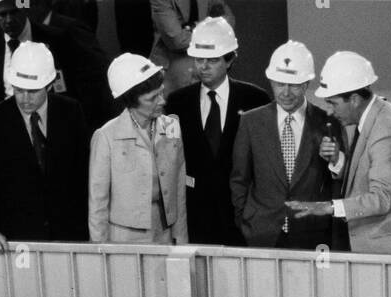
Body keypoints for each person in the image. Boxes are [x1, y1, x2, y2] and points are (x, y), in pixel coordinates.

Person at [289, 51, 391, 255]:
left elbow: (382, 198)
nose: (329, 111)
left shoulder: (386, 131)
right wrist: (338, 161)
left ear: (354, 99)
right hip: (380, 249)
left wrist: (329, 207)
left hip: (390, 254)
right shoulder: (372, 117)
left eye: (333, 103)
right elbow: (367, 173)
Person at [0, 42, 90, 248]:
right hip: (13, 240)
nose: (25, 99)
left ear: (50, 84)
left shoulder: (71, 112)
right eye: (19, 90)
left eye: (33, 91)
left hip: (69, 237)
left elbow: (84, 174)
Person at [165, 17, 269, 246]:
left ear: (229, 59)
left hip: (242, 217)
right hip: (195, 217)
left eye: (211, 60)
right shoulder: (177, 102)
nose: (203, 66)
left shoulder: (255, 99)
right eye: (199, 59)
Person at [230, 40, 339, 249]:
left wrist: (336, 161)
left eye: (294, 85)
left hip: (311, 234)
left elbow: (337, 182)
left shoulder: (327, 122)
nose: (286, 92)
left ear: (307, 83)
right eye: (280, 84)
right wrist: (246, 222)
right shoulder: (250, 122)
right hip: (261, 233)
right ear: (270, 81)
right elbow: (239, 179)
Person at [0, 0, 113, 131]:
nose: (8, 20)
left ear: (25, 9)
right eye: (2, 15)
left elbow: (81, 80)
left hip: (51, 122)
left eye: (13, 12)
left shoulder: (56, 38)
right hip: (7, 123)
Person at [88, 54, 187, 244]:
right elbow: (98, 203)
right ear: (131, 100)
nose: (162, 101)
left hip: (164, 232)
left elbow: (178, 187)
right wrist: (99, 252)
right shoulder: (106, 137)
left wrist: (181, 239)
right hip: (124, 239)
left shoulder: (171, 126)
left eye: (161, 92)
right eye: (152, 98)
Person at [149, 0, 235, 92]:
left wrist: (192, 27)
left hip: (206, 69)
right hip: (173, 69)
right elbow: (177, 40)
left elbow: (227, 22)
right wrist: (210, 31)